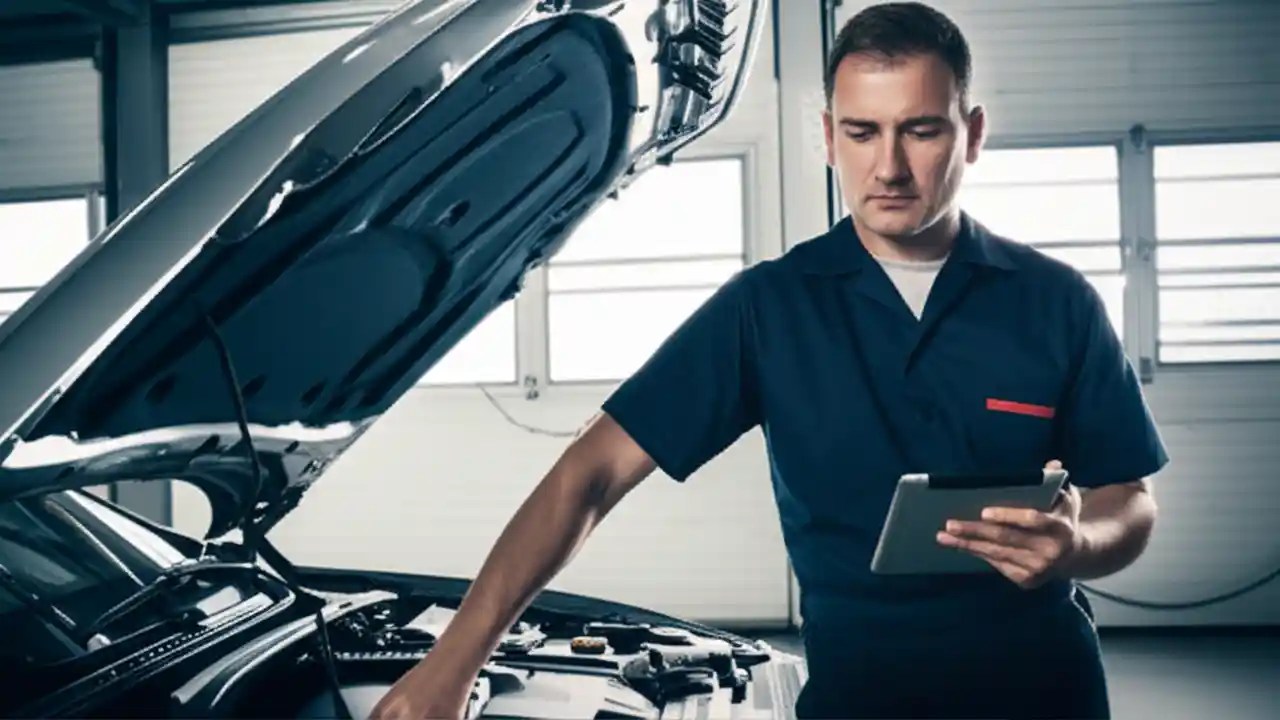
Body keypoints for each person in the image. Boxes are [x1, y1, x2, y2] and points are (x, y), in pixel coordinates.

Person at [370, 2, 1168, 718]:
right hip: (862, 700)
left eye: (920, 130)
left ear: (974, 133)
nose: (888, 167)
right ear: (828, 136)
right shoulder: (768, 308)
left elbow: (1128, 498)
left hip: (1042, 692)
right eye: (862, 132)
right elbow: (594, 471)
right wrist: (454, 659)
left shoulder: (1056, 301)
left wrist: (1080, 546)